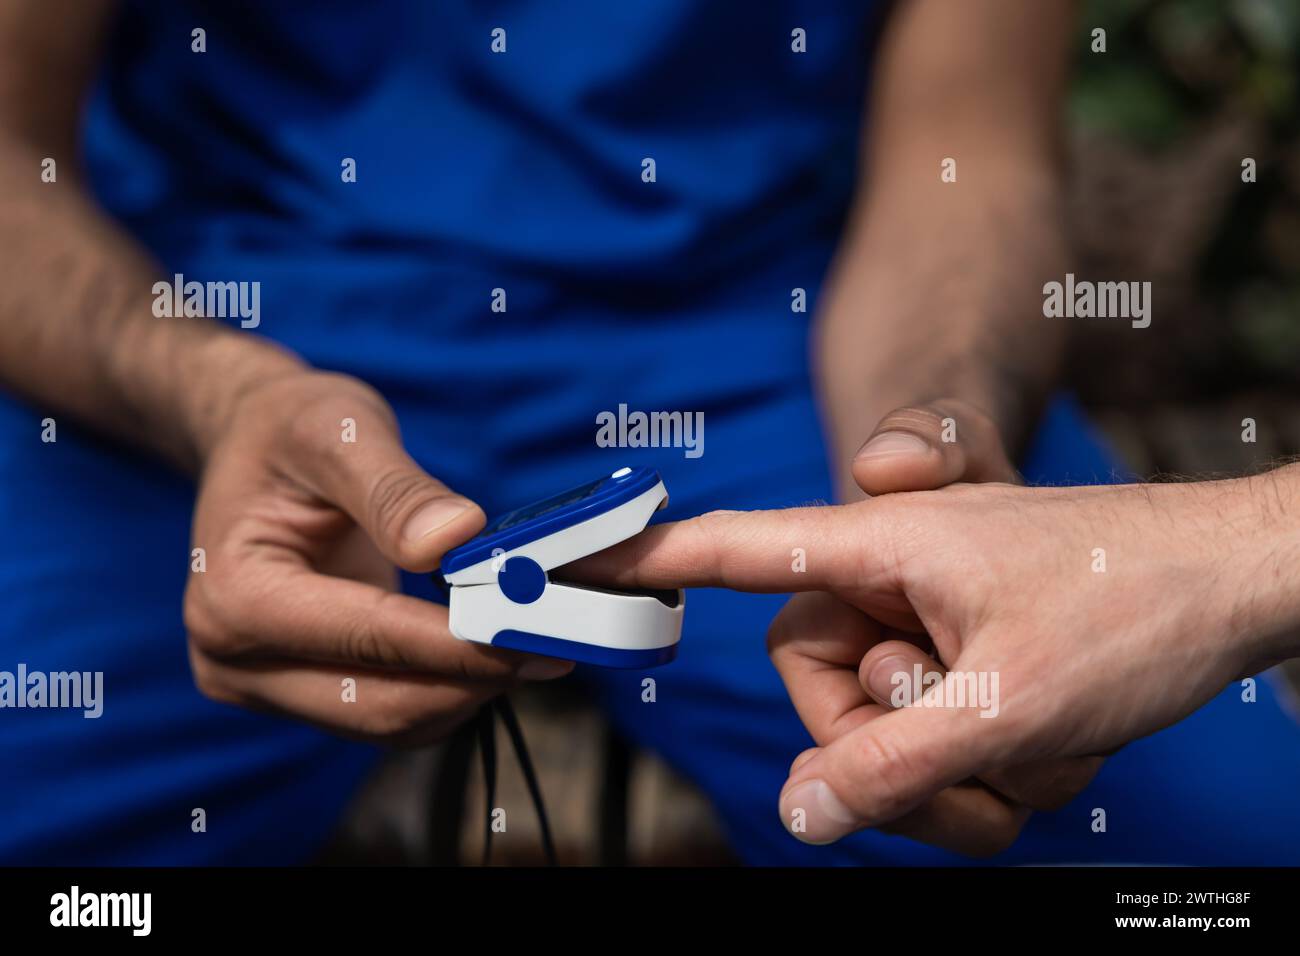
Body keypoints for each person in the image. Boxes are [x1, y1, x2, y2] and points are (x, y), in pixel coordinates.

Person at [2, 0, 1298, 865]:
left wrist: (930, 439)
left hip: (775, 330)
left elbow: (966, 157)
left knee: (1214, 844)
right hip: (215, 321)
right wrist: (211, 395)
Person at [570, 446, 1300, 849]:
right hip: (483, 442)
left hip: (804, 381)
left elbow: (953, 183)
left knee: (1256, 828)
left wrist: (914, 467)